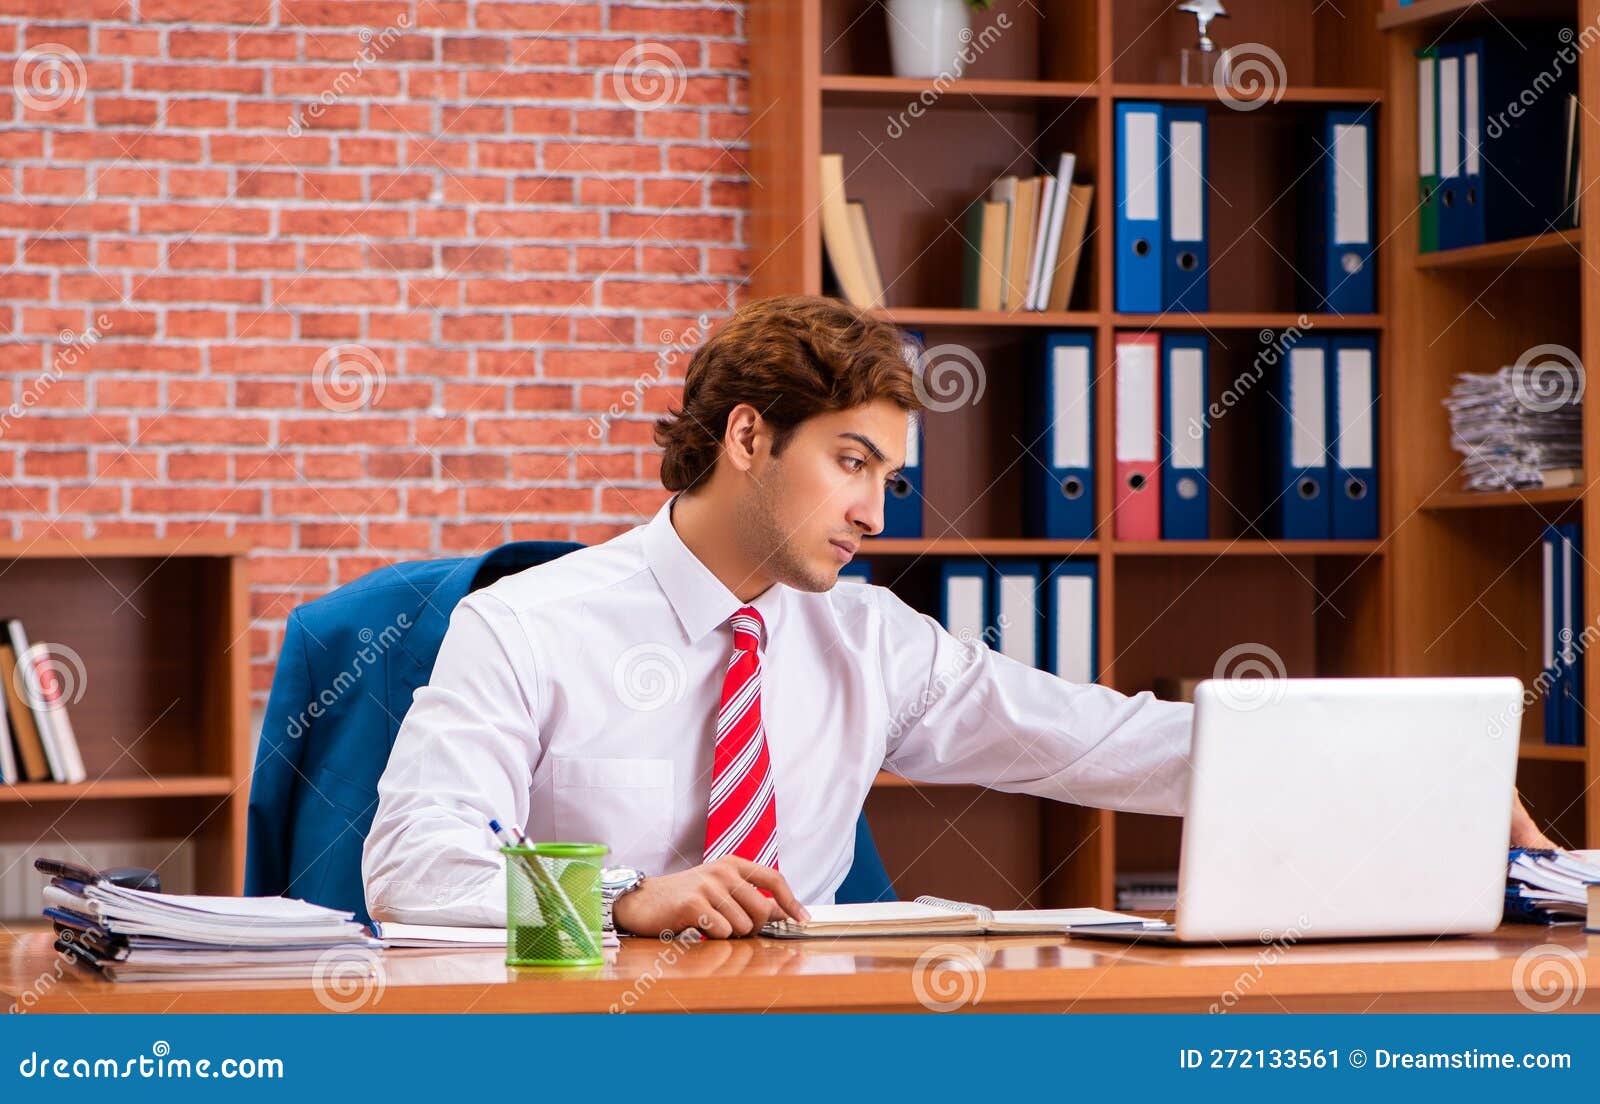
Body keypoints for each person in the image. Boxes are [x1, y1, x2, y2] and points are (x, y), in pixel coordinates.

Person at [362, 294, 1555, 938]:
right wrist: (629, 895)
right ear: (745, 438)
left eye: (888, 474)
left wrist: (1395, 768)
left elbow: (1101, 740)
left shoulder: (870, 638)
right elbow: (413, 866)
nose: (876, 511)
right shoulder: (527, 625)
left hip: (802, 1038)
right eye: (850, 463)